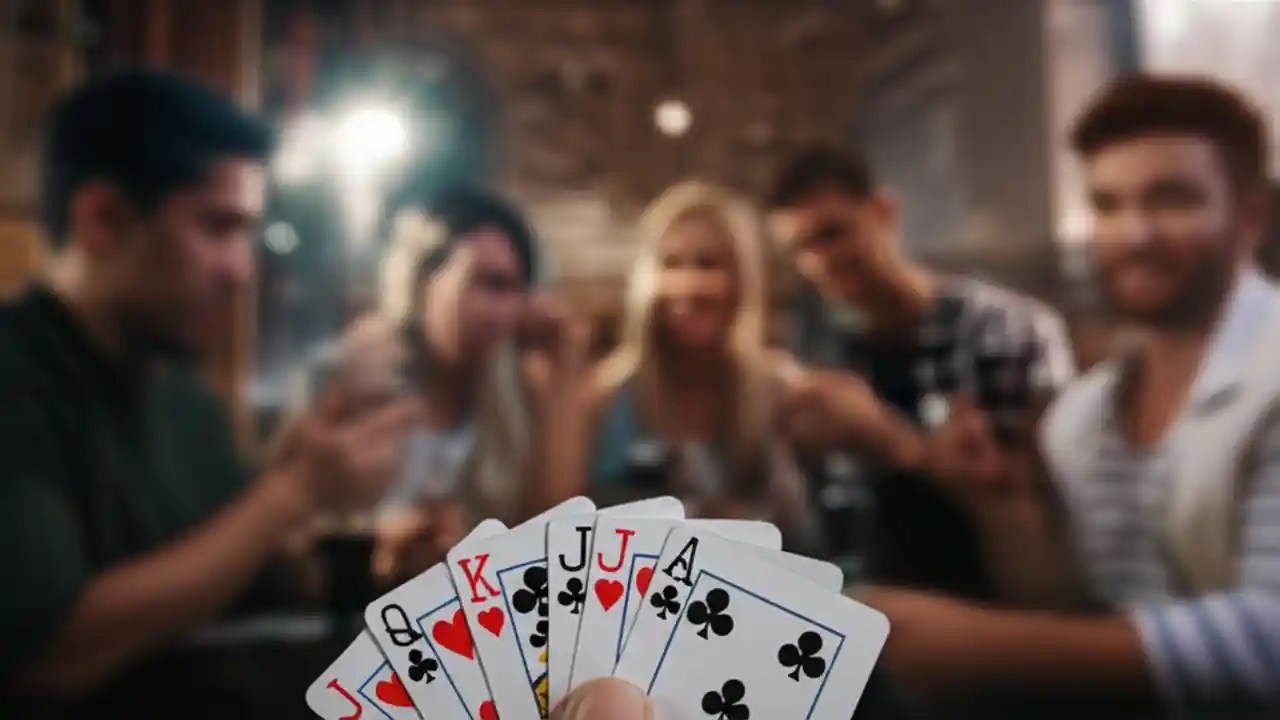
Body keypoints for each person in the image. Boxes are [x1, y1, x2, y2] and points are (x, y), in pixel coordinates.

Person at [0, 70, 418, 716]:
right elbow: (45, 652)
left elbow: (236, 581)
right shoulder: (18, 376)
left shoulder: (182, 397)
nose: (242, 270)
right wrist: (293, 492)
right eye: (218, 228)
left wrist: (387, 559)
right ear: (102, 218)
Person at [865, 75, 1280, 715]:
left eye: (1171, 201)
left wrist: (969, 645)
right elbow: (1074, 607)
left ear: (1249, 216)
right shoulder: (1084, 415)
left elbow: (1269, 643)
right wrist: (1004, 507)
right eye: (1108, 206)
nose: (1133, 234)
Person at [766, 147, 1076, 597]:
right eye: (802, 248)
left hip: (993, 613)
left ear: (883, 213)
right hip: (871, 610)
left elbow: (1042, 517)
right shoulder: (824, 349)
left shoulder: (1004, 329)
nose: (821, 260)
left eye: (833, 233)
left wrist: (891, 439)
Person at [308, 185, 589, 583]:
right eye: (483, 283)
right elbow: (298, 537)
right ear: (423, 280)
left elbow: (555, 542)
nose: (497, 311)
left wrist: (563, 377)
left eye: (512, 289)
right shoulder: (355, 376)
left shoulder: (518, 397)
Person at [540, 181, 817, 548]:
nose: (688, 283)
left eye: (708, 263)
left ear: (742, 278)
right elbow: (549, 531)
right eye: (670, 264)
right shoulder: (601, 399)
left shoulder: (780, 390)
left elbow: (813, 540)